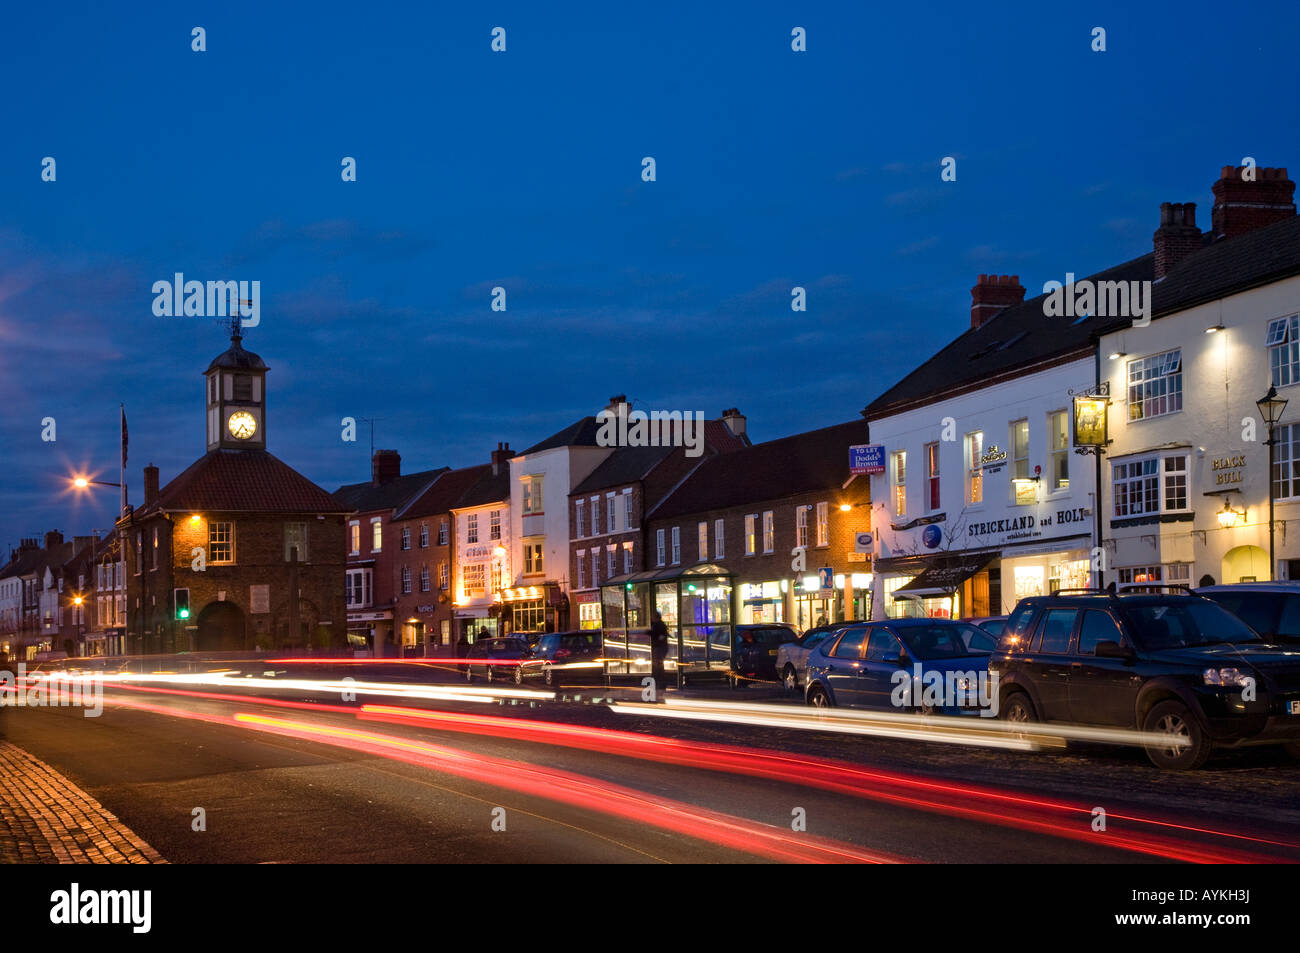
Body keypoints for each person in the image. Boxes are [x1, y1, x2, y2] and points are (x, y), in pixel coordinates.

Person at [649, 609, 669, 697]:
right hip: (661, 647)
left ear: (655, 617)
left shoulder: (658, 625)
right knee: (659, 666)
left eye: (652, 617)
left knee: (658, 666)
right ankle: (660, 683)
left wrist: (648, 633)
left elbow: (657, 635)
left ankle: (659, 684)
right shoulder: (660, 624)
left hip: (659, 648)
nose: (651, 618)